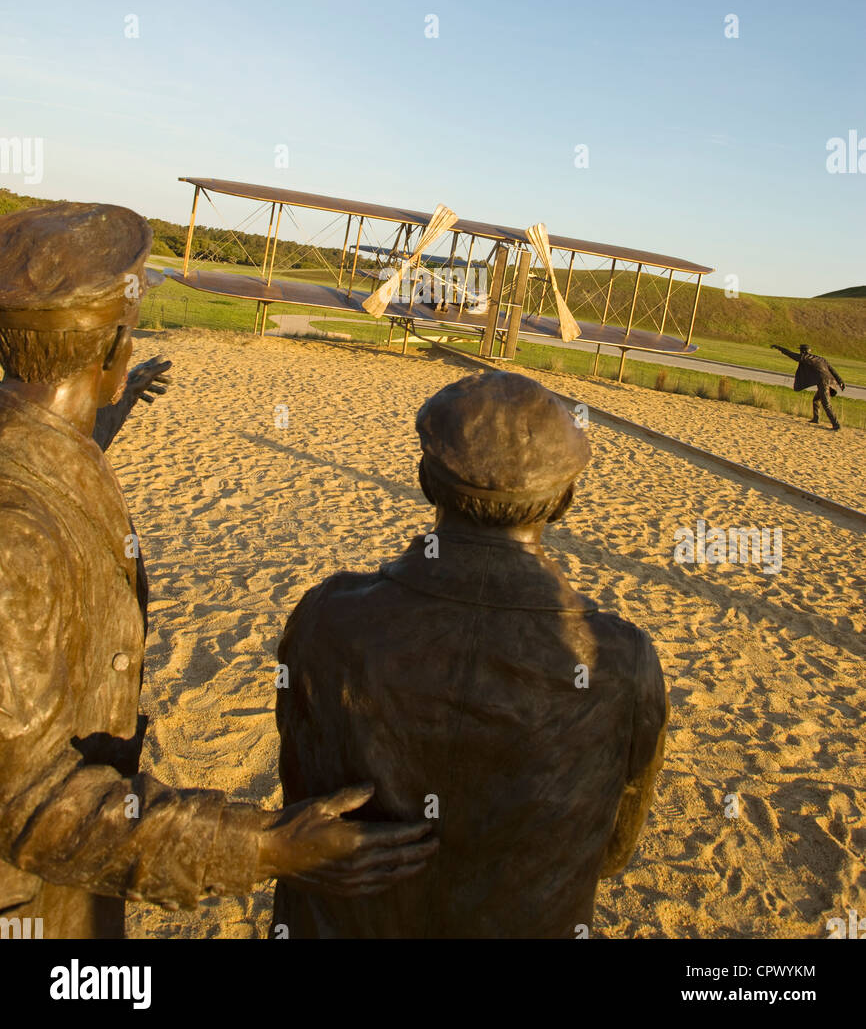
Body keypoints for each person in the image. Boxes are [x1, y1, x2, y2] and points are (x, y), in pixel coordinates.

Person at [0, 201, 436, 939]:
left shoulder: (33, 450)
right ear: (114, 351)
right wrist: (262, 847)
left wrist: (100, 419)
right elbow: (31, 802)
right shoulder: (20, 536)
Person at [271, 369, 668, 939]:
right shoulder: (621, 660)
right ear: (563, 500)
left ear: (425, 481)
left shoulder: (326, 618)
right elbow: (612, 851)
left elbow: (301, 785)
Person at [771, 342, 845, 430]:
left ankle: (836, 425)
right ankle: (816, 418)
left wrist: (779, 348)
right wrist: (840, 381)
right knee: (816, 400)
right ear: (809, 350)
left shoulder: (804, 357)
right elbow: (832, 370)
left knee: (826, 404)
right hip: (831, 381)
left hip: (824, 382)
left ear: (802, 351)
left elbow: (790, 354)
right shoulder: (821, 359)